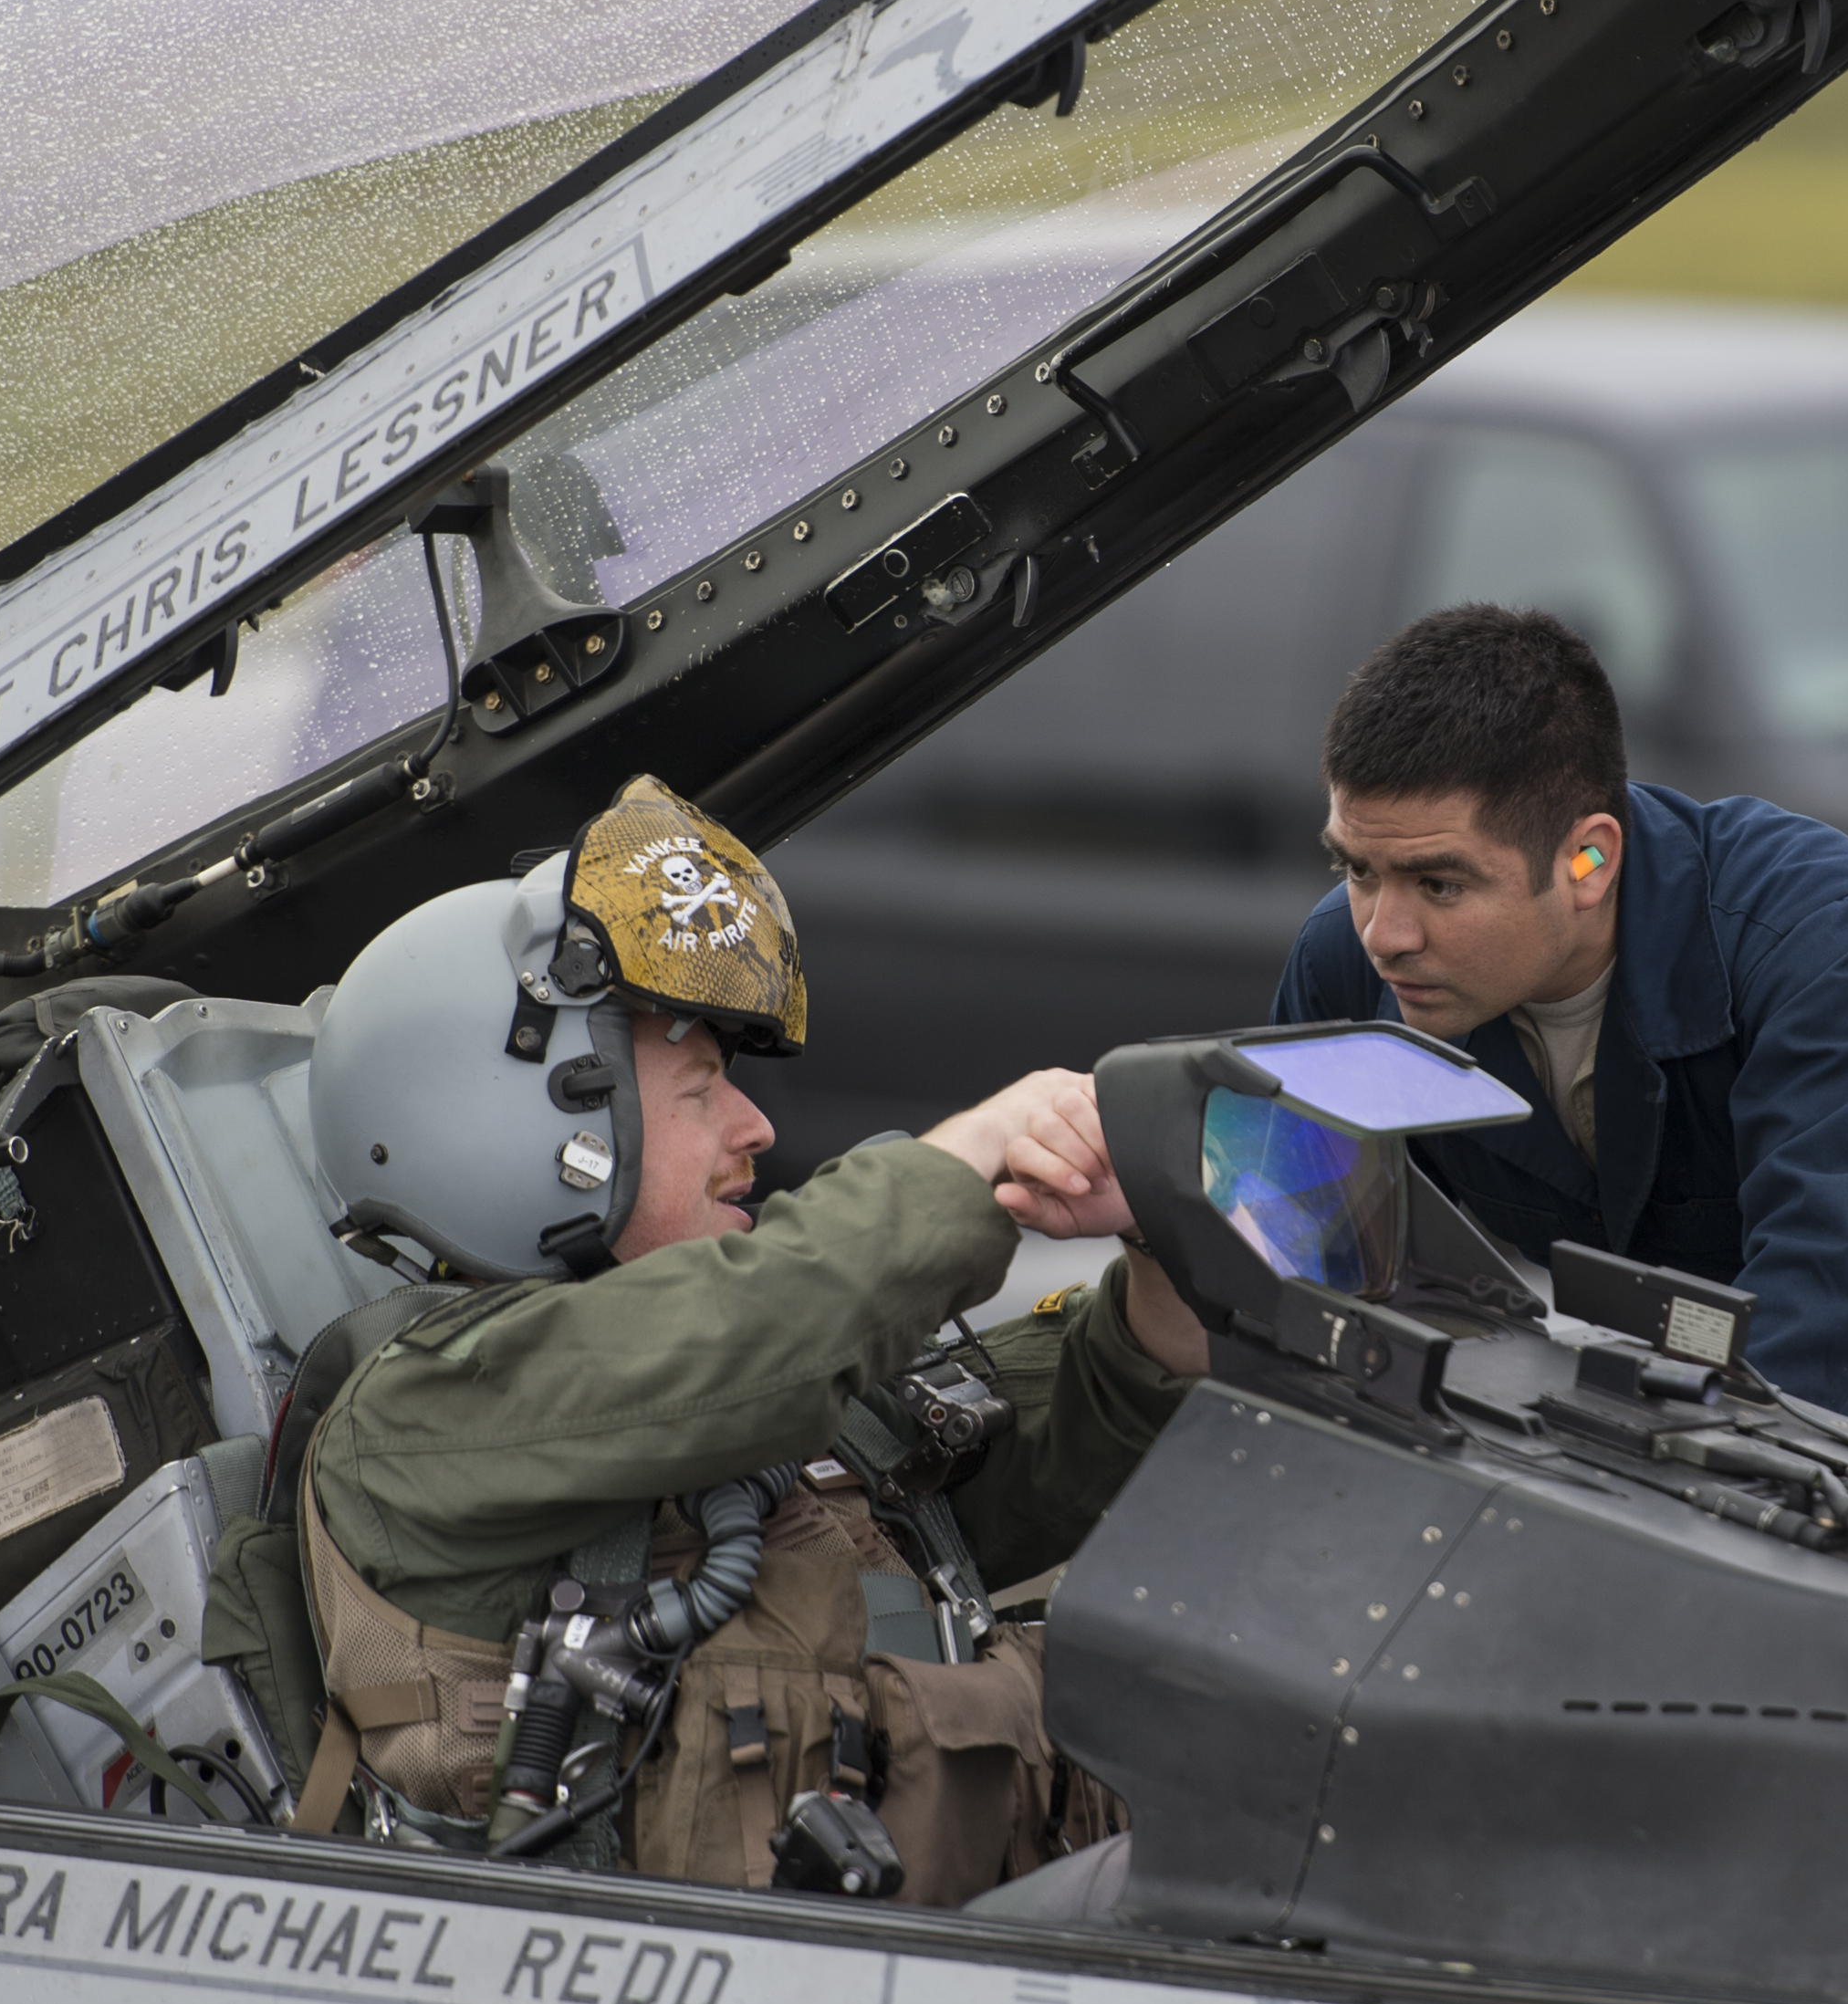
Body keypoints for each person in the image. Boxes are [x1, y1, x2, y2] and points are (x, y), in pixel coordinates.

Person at [202, 775, 1202, 1902]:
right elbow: (769, 1322)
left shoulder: (746, 1373)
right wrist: (971, 1152)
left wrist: (1166, 1244)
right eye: (698, 1092)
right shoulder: (420, 1419)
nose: (757, 1128)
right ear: (521, 1122)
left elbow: (1040, 1459)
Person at [1268, 606, 1848, 1514]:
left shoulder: (1819, 931)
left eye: (1439, 883)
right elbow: (1304, 1269)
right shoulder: (1345, 968)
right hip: (1708, 1348)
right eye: (1355, 871)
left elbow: (1817, 1308)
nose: (1385, 933)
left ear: (1588, 857)